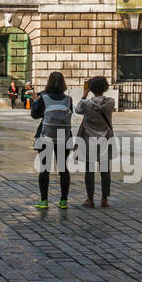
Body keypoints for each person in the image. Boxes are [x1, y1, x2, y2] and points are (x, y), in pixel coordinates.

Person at [30, 71, 73, 210]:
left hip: (45, 136)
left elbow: (34, 115)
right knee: (63, 168)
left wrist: (36, 101)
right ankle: (63, 200)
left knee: (44, 169)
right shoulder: (68, 99)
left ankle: (44, 200)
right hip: (63, 136)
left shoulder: (44, 98)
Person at [75, 76, 115, 208]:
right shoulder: (110, 103)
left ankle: (90, 199)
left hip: (89, 138)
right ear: (106, 88)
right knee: (105, 170)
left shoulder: (86, 104)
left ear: (91, 89)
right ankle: (105, 199)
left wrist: (84, 95)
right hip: (105, 138)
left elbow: (78, 110)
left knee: (89, 170)